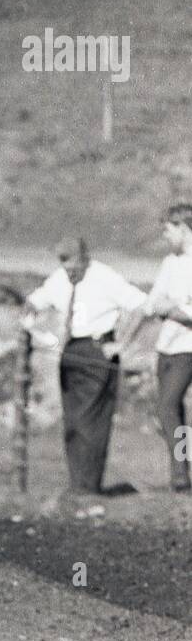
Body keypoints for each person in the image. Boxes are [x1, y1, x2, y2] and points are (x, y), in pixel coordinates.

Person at [24, 237, 147, 497]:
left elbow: (140, 305)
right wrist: (30, 311)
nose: (68, 268)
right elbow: (38, 299)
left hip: (98, 351)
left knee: (91, 421)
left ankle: (89, 486)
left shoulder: (104, 277)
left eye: (72, 261)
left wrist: (120, 345)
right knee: (72, 421)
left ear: (84, 257)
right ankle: (76, 484)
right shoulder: (60, 278)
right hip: (71, 350)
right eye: (62, 261)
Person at [118, 203, 192, 493]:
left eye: (168, 230)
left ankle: (179, 476)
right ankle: (182, 472)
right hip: (167, 348)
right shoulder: (170, 264)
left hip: (188, 348)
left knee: (166, 407)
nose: (165, 236)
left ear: (185, 229)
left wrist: (171, 309)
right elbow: (152, 305)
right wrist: (124, 342)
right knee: (171, 412)